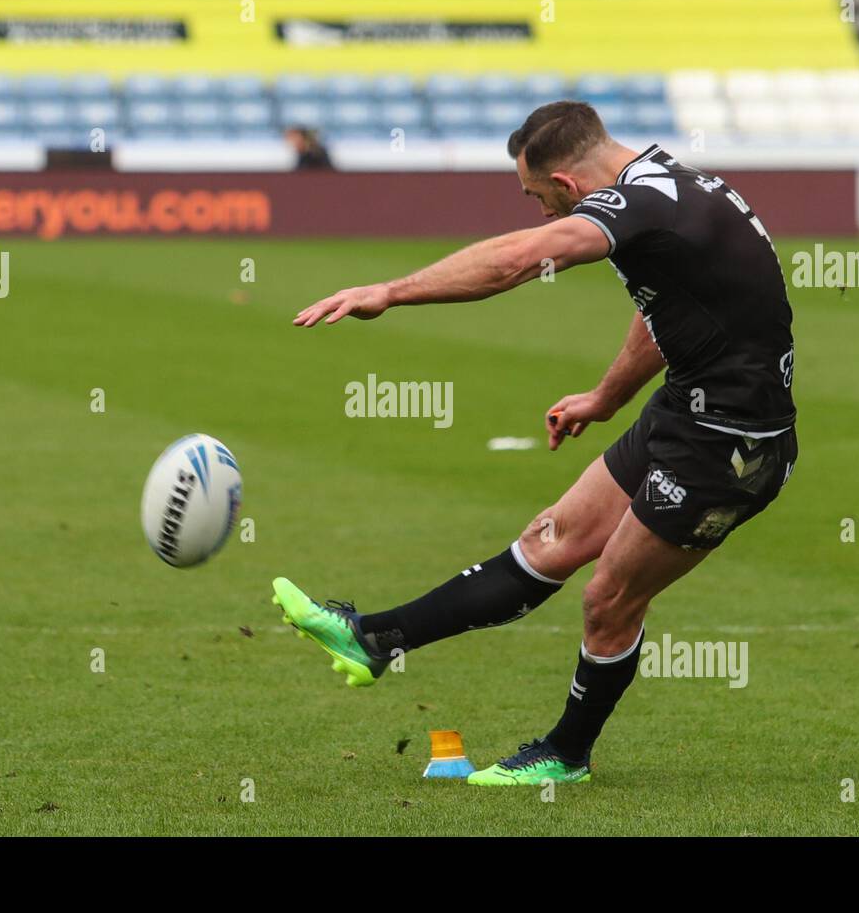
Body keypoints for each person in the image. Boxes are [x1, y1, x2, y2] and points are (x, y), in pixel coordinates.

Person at [275, 101, 798, 785]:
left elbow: (518, 261)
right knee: (552, 540)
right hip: (685, 410)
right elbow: (668, 310)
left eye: (538, 197)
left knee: (609, 597)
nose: (544, 212)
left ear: (569, 184)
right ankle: (375, 639)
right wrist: (606, 398)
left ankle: (567, 755)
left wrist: (391, 291)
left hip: (733, 444)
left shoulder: (637, 204)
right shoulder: (668, 181)